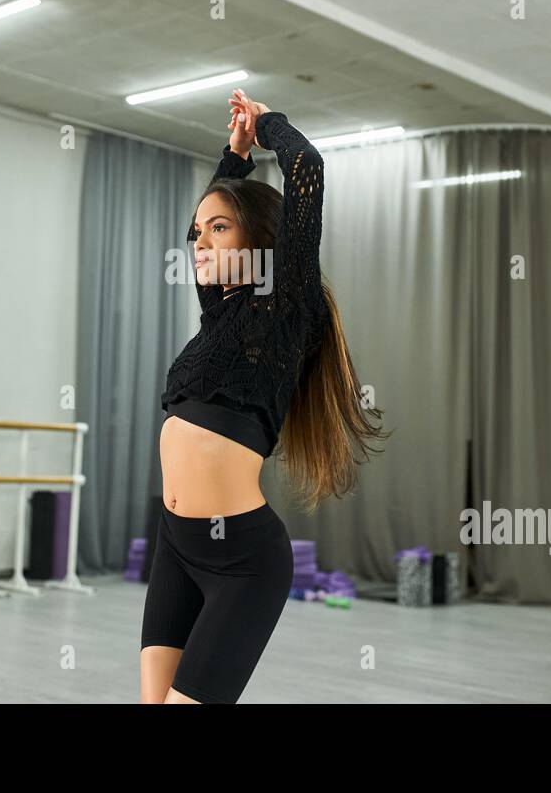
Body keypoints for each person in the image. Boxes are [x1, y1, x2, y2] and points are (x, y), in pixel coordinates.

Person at [139, 88, 390, 703]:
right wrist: (233, 157)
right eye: (199, 231)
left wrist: (264, 124)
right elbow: (198, 230)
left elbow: (308, 169)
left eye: (218, 229)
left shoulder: (283, 307)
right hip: (175, 544)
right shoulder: (217, 319)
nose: (200, 241)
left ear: (259, 243)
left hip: (243, 563)